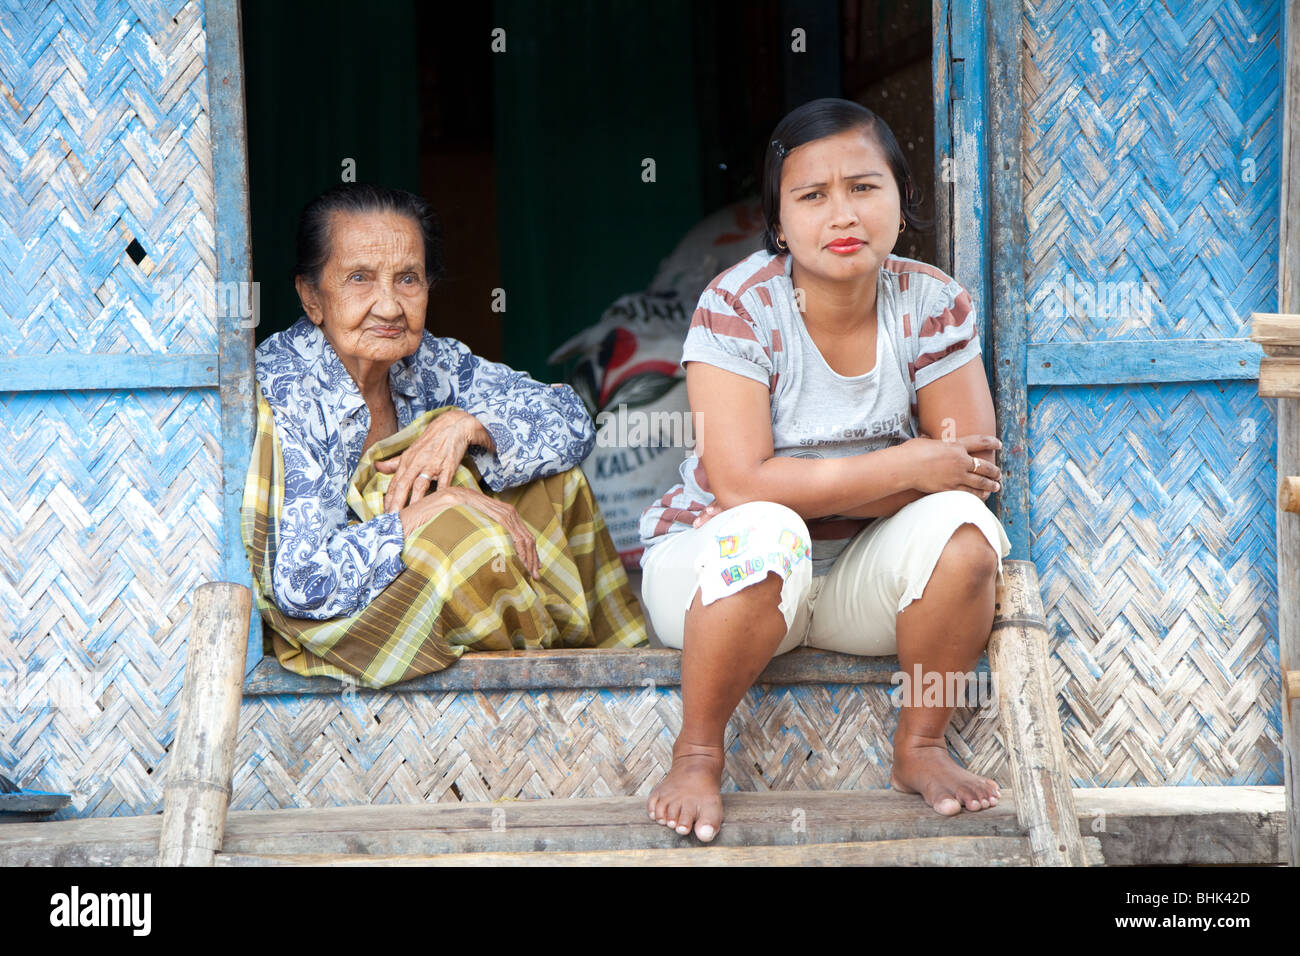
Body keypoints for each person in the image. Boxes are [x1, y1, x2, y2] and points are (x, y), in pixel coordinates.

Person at [638, 98, 1012, 841]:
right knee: (769, 528)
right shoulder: (738, 306)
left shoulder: (932, 302)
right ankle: (697, 753)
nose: (842, 214)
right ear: (778, 222)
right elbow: (742, 485)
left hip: (857, 586)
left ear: (903, 200)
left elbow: (967, 468)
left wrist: (819, 481)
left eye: (864, 187)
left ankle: (921, 745)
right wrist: (907, 464)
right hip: (719, 575)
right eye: (812, 196)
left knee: (967, 534)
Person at [242, 183, 646, 687]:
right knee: (460, 533)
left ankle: (605, 668)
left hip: (429, 585)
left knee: (552, 478)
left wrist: (466, 425)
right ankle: (538, 674)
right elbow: (304, 585)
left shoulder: (427, 362)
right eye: (360, 279)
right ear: (311, 297)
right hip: (338, 614)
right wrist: (429, 511)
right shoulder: (290, 389)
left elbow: (570, 416)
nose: (389, 306)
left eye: (408, 278)